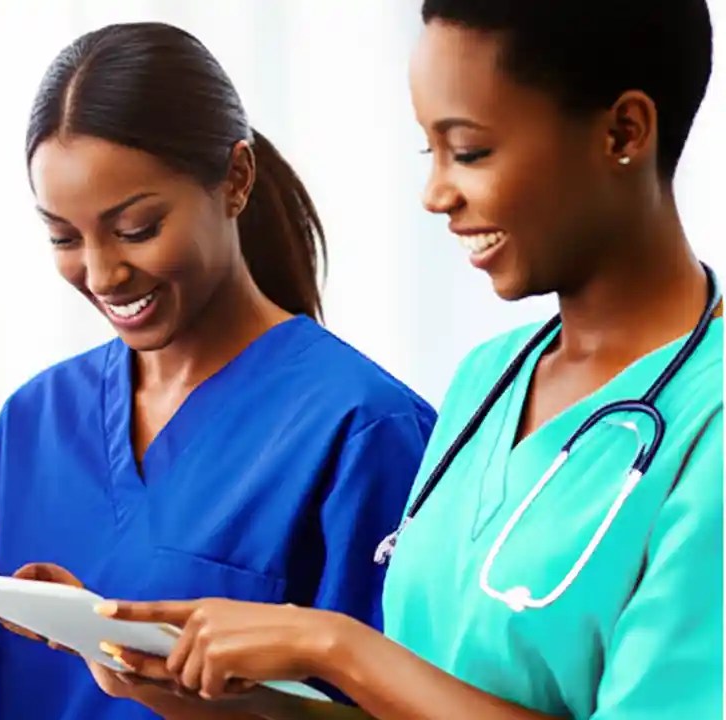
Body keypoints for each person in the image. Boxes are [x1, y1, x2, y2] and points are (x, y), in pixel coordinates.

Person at [92, 2, 724, 719]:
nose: (436, 195)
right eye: (432, 152)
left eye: (472, 151)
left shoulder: (711, 427)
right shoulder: (489, 380)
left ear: (623, 132)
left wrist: (335, 646)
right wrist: (191, 692)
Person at [0, 21, 438, 720]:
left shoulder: (363, 429)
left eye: (137, 229)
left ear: (235, 181)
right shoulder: (39, 417)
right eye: (63, 236)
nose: (100, 273)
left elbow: (397, 702)